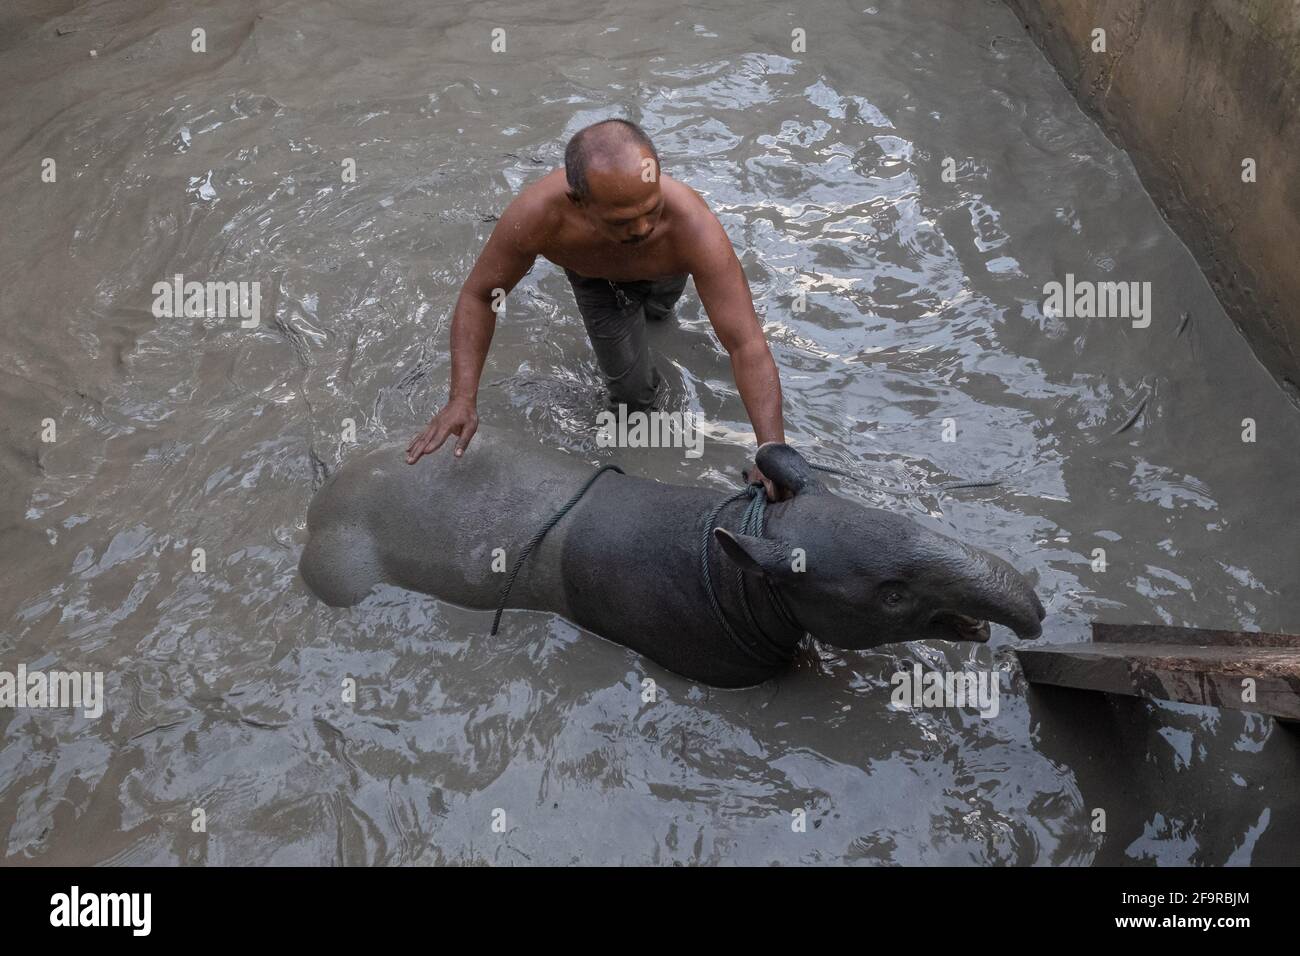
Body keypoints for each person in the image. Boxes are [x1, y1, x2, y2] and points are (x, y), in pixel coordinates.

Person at [406, 117, 788, 499]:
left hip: (669, 271)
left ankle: (653, 318)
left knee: (659, 315)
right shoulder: (538, 216)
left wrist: (772, 454)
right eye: (621, 221)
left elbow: (746, 344)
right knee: (634, 401)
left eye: (651, 210)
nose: (642, 229)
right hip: (597, 282)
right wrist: (461, 398)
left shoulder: (692, 226)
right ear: (579, 203)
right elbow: (481, 295)